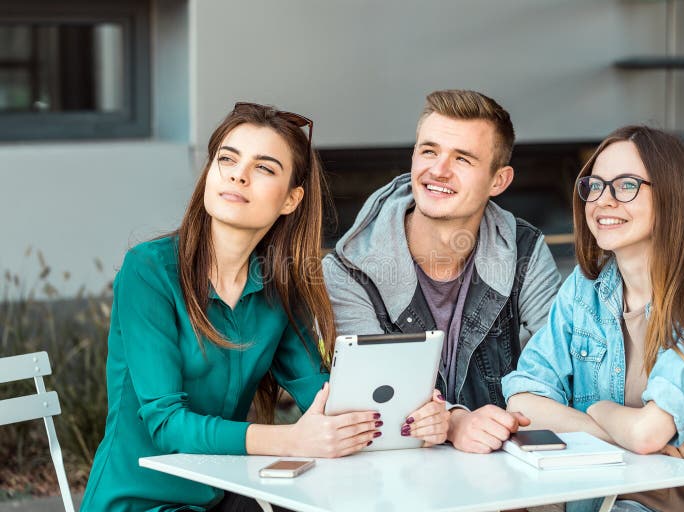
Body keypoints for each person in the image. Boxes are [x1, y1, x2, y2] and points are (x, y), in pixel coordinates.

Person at [81, 102, 448, 512]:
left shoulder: (277, 287)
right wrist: (291, 439)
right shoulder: (149, 271)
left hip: (219, 494)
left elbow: (326, 395)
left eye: (264, 167)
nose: (239, 173)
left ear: (291, 200)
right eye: (228, 159)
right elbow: (166, 424)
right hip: (137, 500)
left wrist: (414, 419)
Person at [502, 126, 684, 511]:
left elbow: (648, 434)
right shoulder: (583, 290)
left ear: (669, 197)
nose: (604, 200)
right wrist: (621, 431)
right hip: (606, 499)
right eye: (595, 186)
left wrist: (595, 410)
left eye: (626, 185)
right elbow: (524, 401)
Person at [323, 90, 562, 453]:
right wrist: (455, 421)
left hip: (502, 469)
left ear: (499, 180)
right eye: (429, 151)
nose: (438, 170)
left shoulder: (525, 251)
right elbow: (375, 402)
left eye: (462, 159)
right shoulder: (349, 270)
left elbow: (560, 361)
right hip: (393, 481)